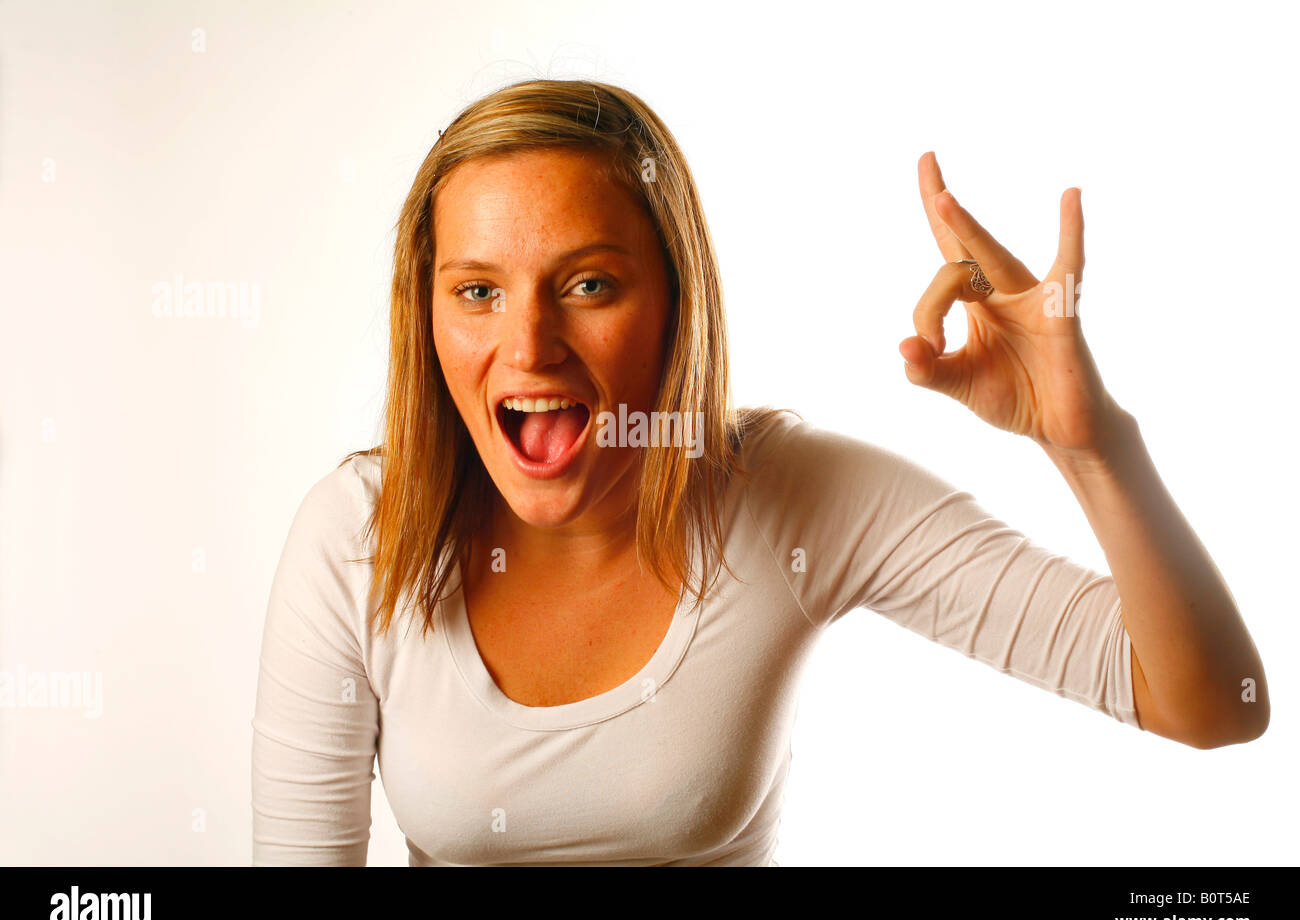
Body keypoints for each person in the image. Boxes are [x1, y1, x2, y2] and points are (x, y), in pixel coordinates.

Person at [251, 79, 1269, 866]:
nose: (528, 344)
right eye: (476, 290)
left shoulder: (790, 498)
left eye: (588, 283)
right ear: (424, 316)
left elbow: (1213, 702)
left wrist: (1089, 444)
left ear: (675, 303)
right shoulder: (356, 534)